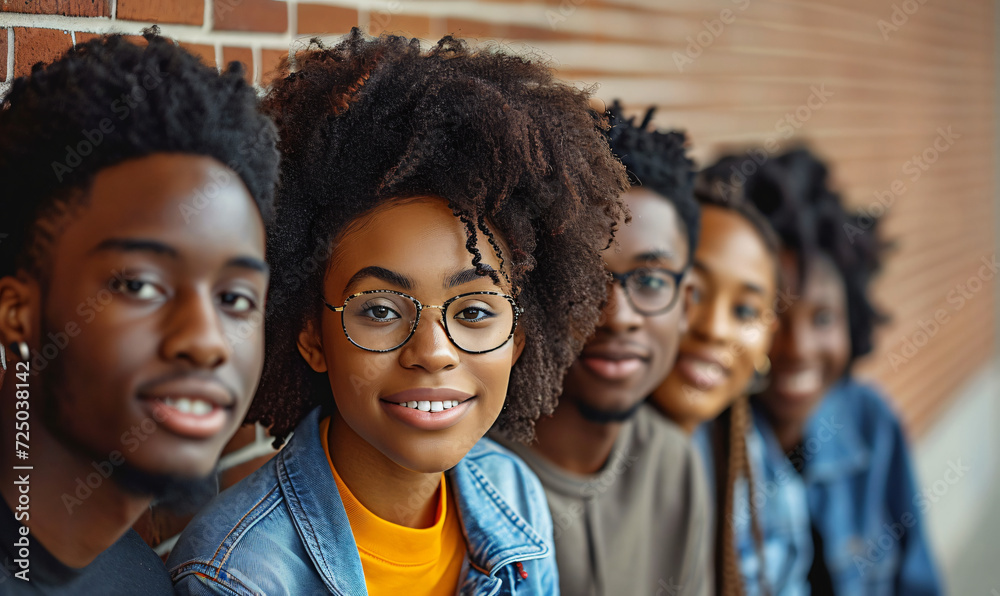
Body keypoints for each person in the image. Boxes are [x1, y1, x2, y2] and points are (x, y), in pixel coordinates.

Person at [166, 29, 628, 595]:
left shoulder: (514, 494)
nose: (432, 351)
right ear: (311, 332)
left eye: (475, 313)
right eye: (381, 310)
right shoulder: (239, 575)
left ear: (519, 339)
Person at [0, 31, 280, 594]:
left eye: (234, 299)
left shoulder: (142, 580)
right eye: (139, 284)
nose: (206, 341)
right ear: (16, 313)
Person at [494, 101, 711, 596]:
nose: (618, 315)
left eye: (652, 280)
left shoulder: (674, 463)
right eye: (587, 277)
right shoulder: (472, 482)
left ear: (688, 303)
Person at [744, 148, 942, 595]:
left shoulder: (871, 421)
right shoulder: (714, 445)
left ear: (852, 316)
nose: (798, 348)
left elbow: (918, 581)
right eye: (773, 316)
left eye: (822, 318)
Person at [651, 158, 812, 595]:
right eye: (694, 292)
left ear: (767, 340)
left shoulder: (760, 476)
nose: (715, 329)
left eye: (744, 311)